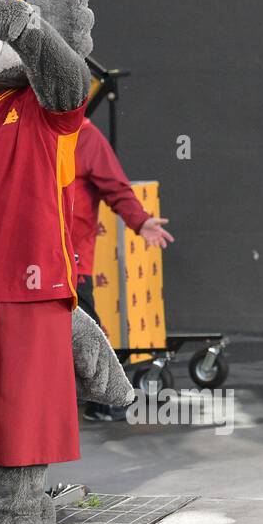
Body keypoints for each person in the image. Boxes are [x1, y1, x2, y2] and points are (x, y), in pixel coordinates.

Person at [68, 119, 174, 422]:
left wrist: (140, 221)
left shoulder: (86, 137)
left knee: (85, 332)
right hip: (26, 260)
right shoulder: (29, 131)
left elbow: (115, 187)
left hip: (72, 263)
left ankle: (105, 399)